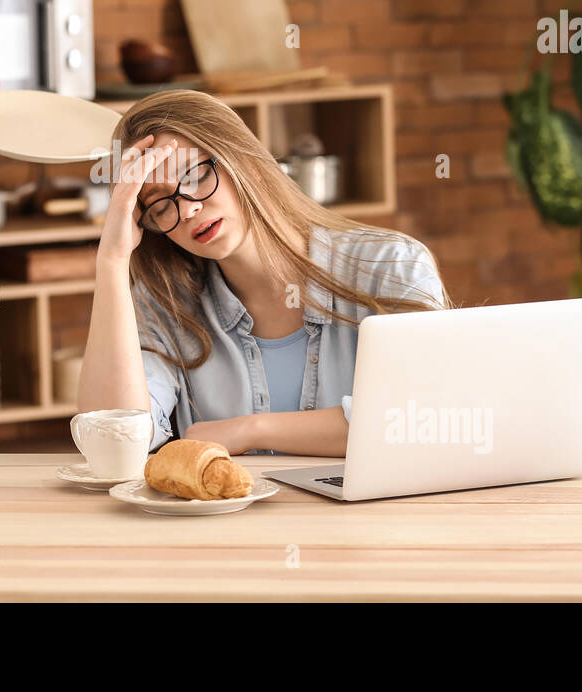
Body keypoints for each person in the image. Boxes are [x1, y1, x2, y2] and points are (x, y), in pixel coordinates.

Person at [78, 90, 454, 458]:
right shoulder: (167, 303)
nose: (188, 209)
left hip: (372, 521)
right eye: (160, 204)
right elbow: (112, 444)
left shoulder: (390, 265)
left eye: (194, 176)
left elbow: (422, 418)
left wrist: (249, 429)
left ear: (249, 165)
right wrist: (111, 259)